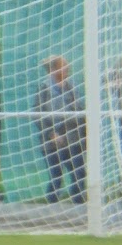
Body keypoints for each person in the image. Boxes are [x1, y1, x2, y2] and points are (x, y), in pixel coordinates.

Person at [36, 55, 86, 203]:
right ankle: (52, 206)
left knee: (79, 172)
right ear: (54, 69)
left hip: (73, 137)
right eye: (64, 66)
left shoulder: (71, 86)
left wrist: (85, 133)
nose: (67, 68)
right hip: (53, 139)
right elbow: (38, 115)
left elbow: (79, 109)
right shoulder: (44, 88)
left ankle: (79, 204)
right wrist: (51, 134)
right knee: (56, 175)